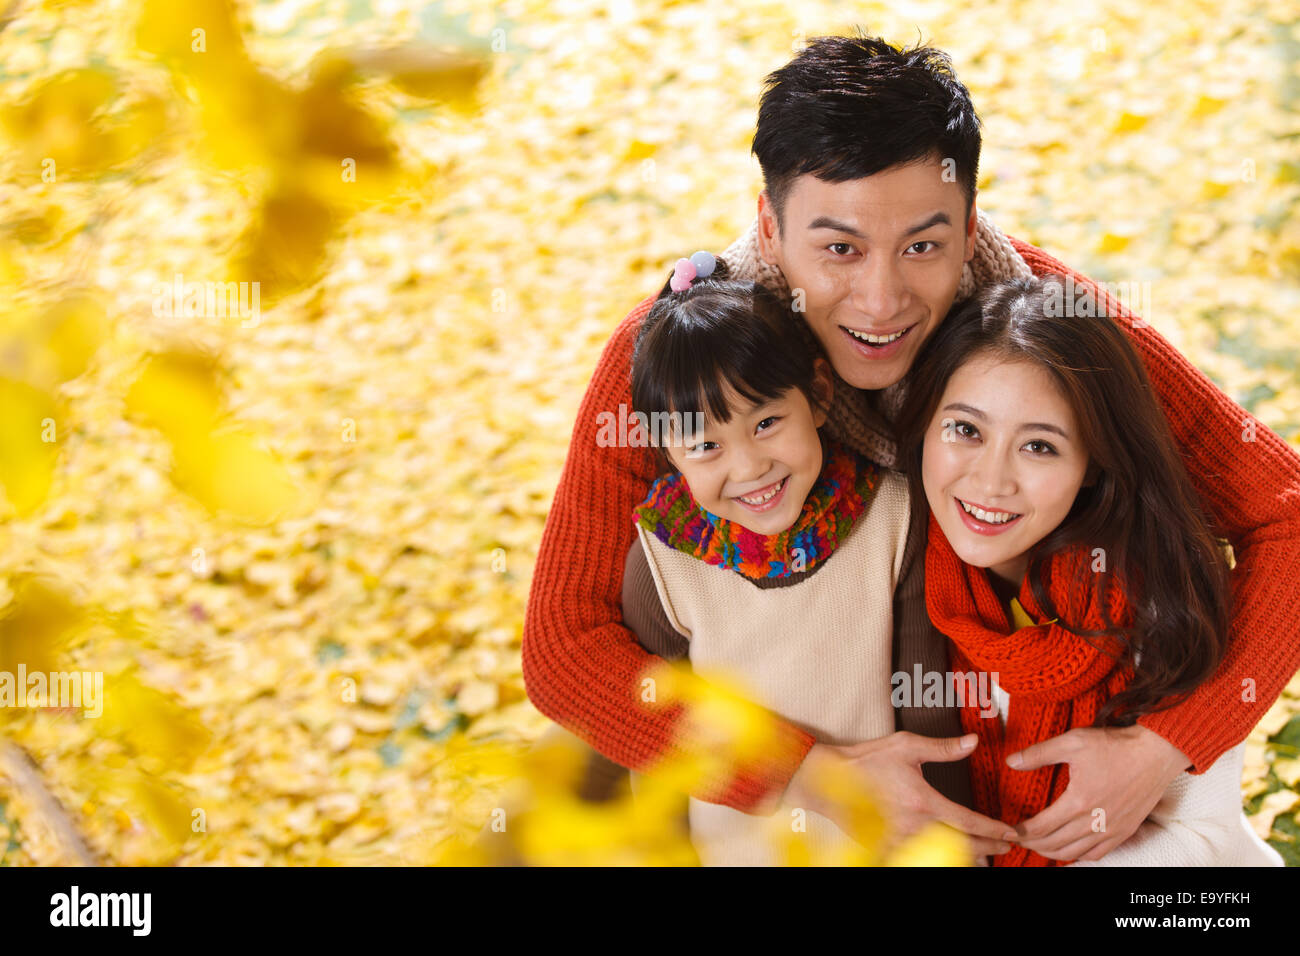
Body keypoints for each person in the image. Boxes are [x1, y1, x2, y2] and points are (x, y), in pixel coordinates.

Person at [522, 33, 1300, 861]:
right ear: (772, 228)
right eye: (840, 249)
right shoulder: (686, 362)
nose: (882, 299)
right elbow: (565, 650)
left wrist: (1164, 747)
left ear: (970, 227)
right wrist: (810, 774)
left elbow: (1286, 516)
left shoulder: (1042, 332)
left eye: (922, 246)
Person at [894, 275, 1283, 866]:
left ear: (1094, 467)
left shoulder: (1154, 601)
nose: (991, 481)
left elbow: (1203, 842)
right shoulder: (905, 577)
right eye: (966, 430)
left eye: (1040, 446)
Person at [613, 250, 985, 863]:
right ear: (667, 452)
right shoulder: (661, 561)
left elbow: (926, 702)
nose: (749, 466)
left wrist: (948, 845)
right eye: (705, 445)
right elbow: (660, 736)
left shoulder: (894, 517)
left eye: (765, 423)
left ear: (816, 395)